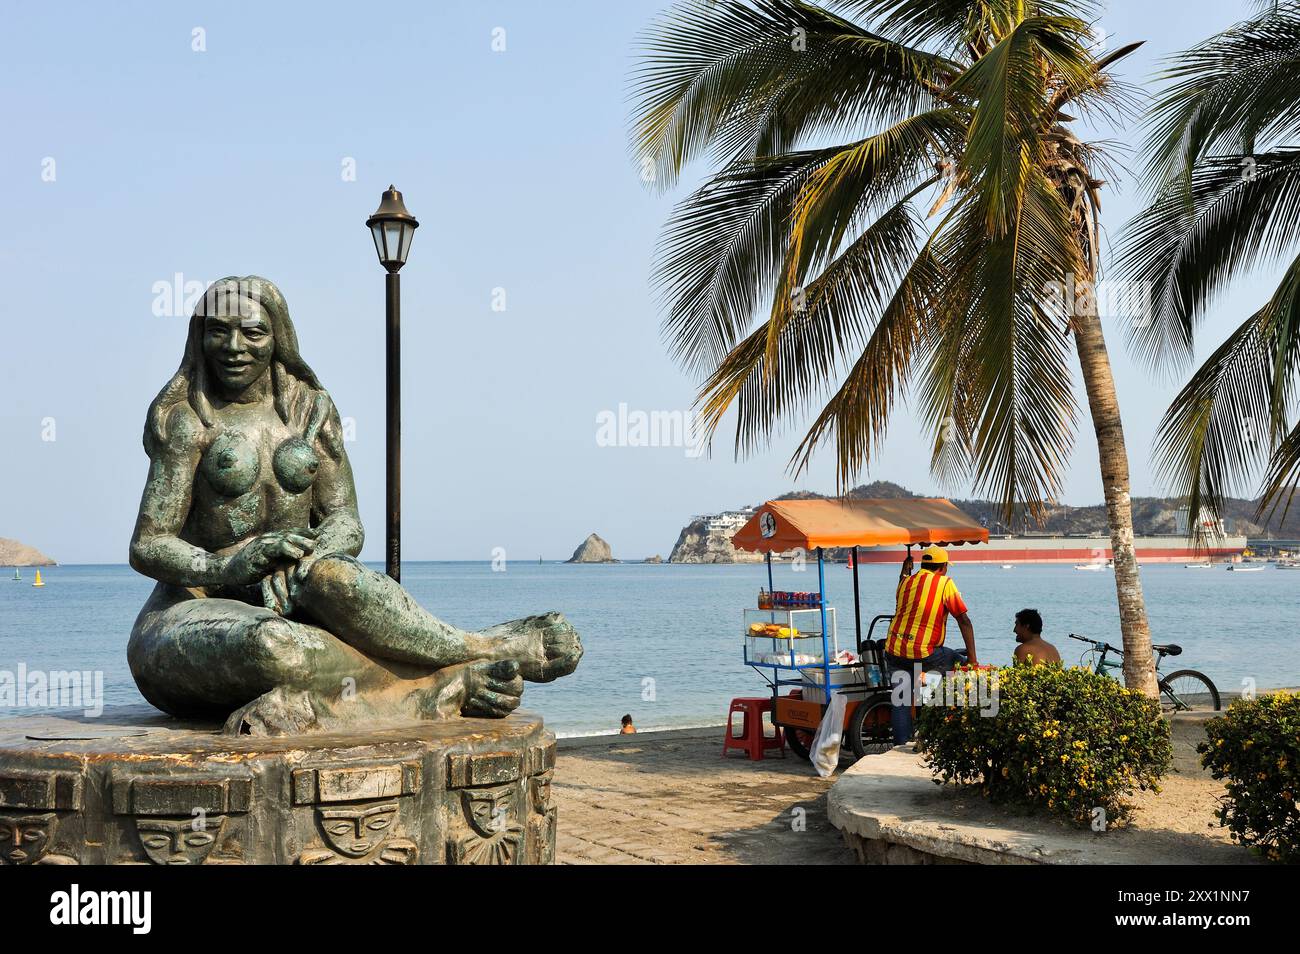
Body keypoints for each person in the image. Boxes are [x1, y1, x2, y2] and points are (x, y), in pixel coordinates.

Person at [127, 276, 582, 735]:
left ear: (278, 337)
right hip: (195, 607)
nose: (233, 347)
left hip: (293, 594)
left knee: (337, 579)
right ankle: (444, 684)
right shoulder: (186, 419)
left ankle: (476, 646)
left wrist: (311, 558)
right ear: (200, 337)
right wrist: (225, 569)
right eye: (218, 331)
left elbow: (346, 520)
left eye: (252, 332)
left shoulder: (310, 410)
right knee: (271, 645)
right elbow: (148, 544)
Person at [883, 546, 977, 744]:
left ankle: (900, 746)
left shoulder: (905, 582)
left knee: (901, 700)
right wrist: (973, 660)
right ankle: (943, 717)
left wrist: (904, 570)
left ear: (923, 564)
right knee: (955, 659)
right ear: (942, 567)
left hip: (894, 650)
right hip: (923, 654)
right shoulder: (944, 583)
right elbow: (964, 620)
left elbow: (903, 588)